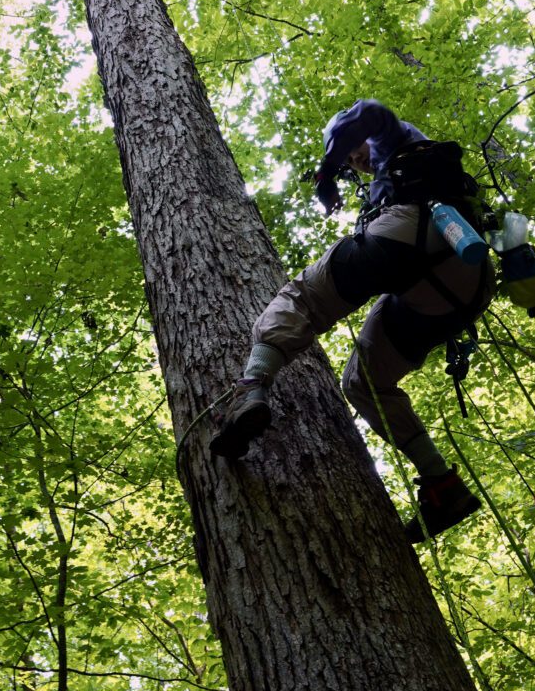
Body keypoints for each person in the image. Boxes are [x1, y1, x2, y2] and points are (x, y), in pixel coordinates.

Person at [211, 100, 494, 543]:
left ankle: (251, 389)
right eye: (348, 160)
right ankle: (442, 486)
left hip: (413, 235)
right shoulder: (414, 175)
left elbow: (371, 111)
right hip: (462, 287)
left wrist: (326, 166)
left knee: (301, 297)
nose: (355, 160)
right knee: (366, 385)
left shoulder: (394, 138)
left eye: (352, 151)